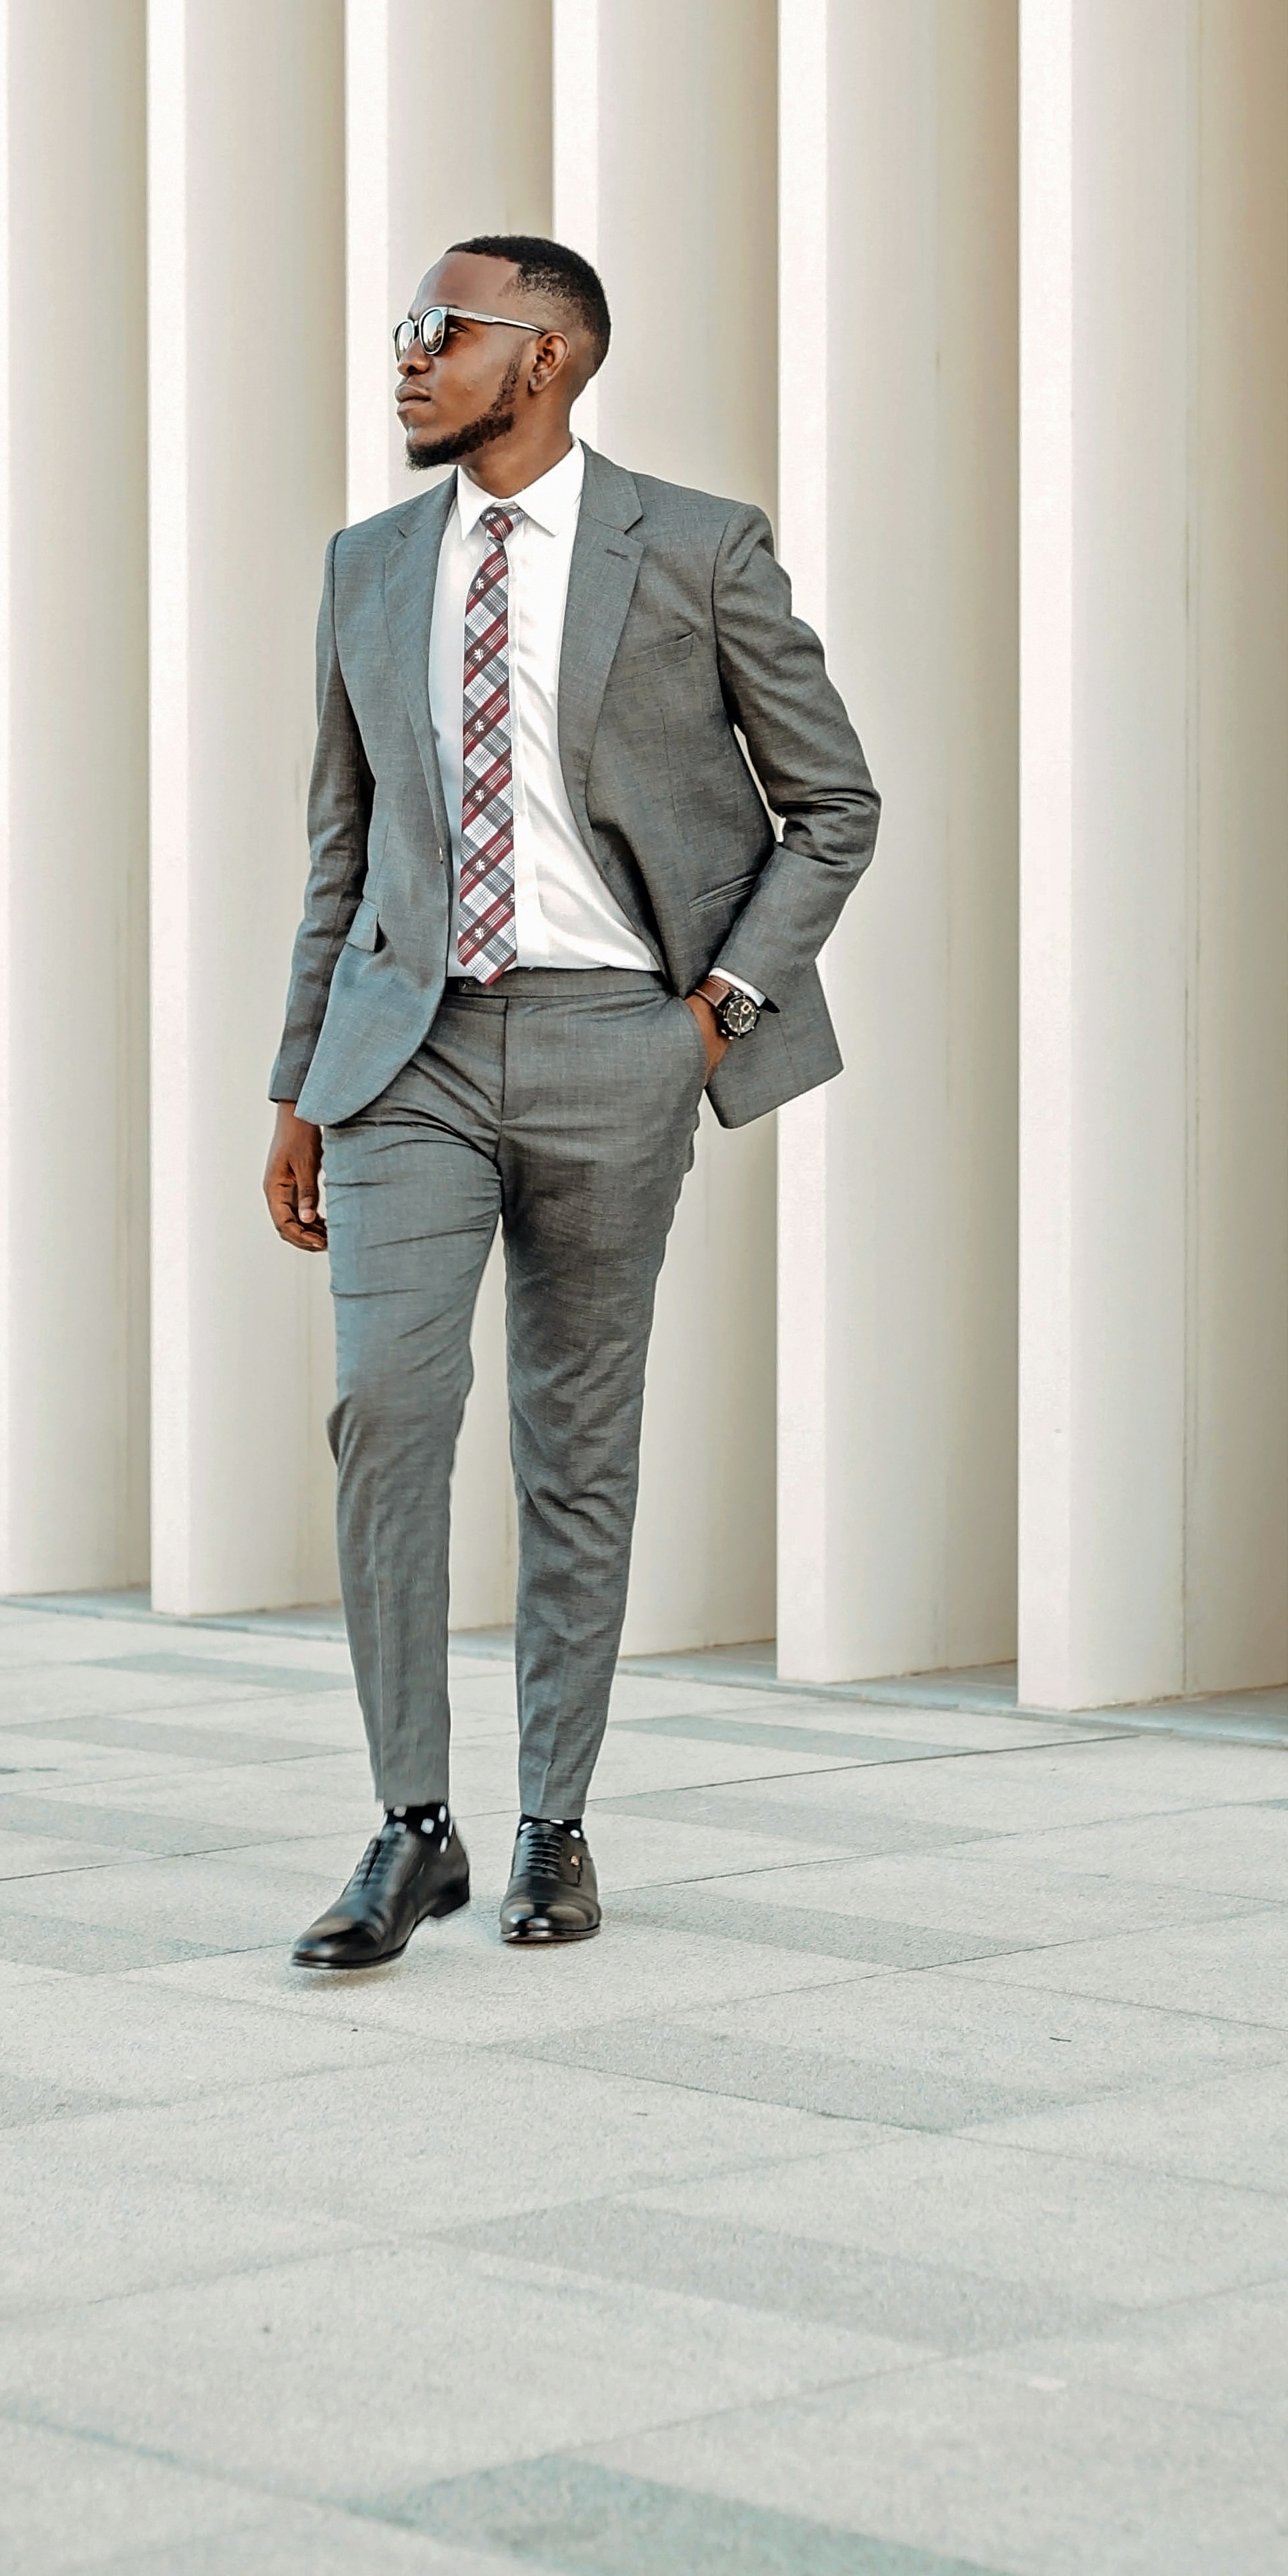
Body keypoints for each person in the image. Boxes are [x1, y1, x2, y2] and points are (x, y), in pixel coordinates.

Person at [263, 236, 878, 1970]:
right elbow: (342, 846)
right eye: (404, 330)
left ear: (542, 358)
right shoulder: (369, 568)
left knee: (575, 1447)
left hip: (622, 1042)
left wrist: (715, 1015)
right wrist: (300, 1087)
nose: (404, 358)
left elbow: (835, 803)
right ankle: (409, 1828)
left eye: (435, 332)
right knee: (388, 1409)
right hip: (408, 1054)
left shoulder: (692, 547)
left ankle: (552, 1828)